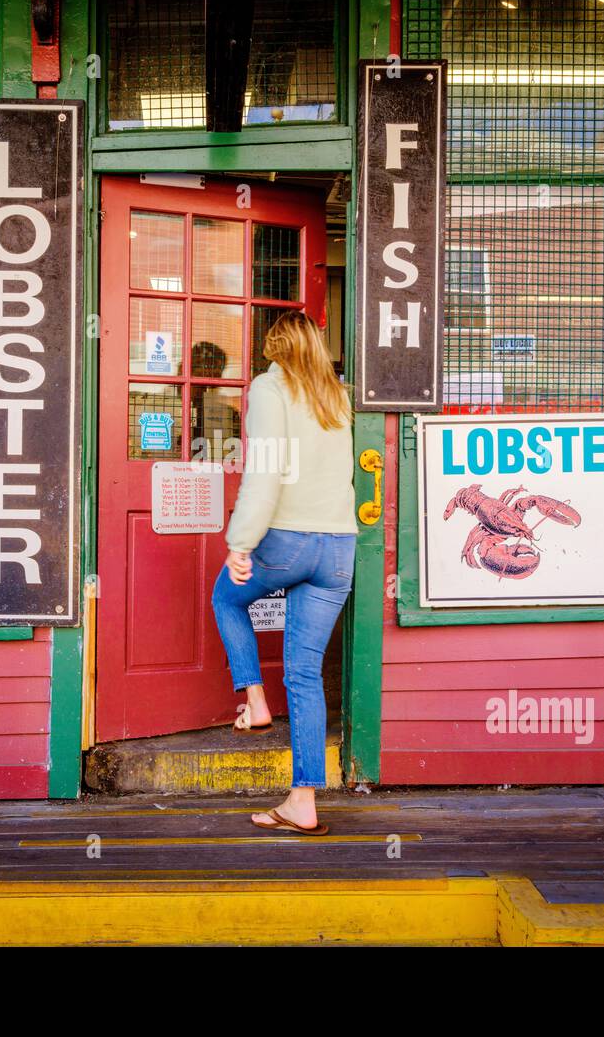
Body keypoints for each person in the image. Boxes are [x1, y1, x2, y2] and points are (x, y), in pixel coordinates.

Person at [211, 310, 357, 836]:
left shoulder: (270, 391)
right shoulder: (336, 397)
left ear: (273, 349)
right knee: (304, 673)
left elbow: (265, 471)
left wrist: (240, 543)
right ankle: (302, 801)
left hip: (288, 540)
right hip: (338, 547)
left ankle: (254, 702)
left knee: (226, 598)